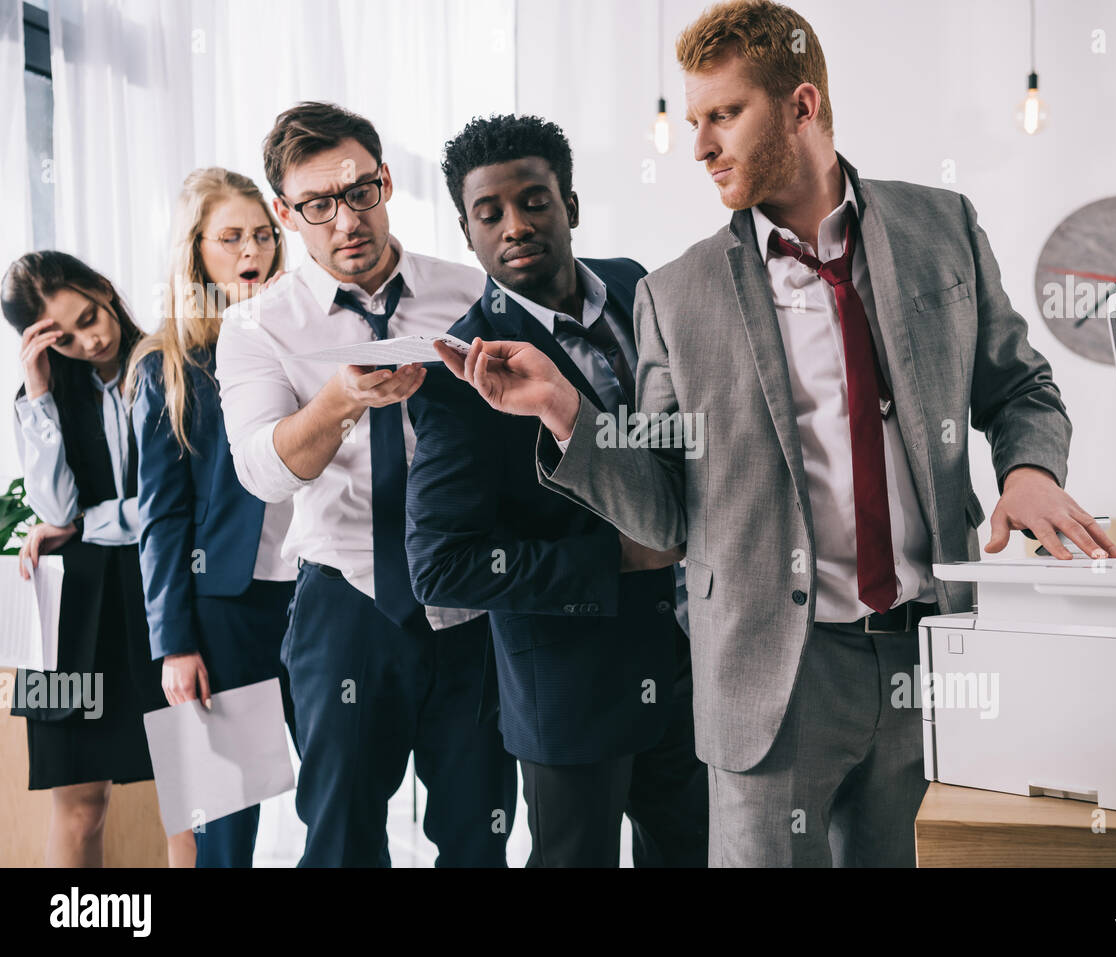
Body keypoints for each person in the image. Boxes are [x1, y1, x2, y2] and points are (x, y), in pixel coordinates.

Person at [434, 0, 1116, 867]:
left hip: (932, 656)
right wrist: (566, 411)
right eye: (694, 120)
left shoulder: (942, 226)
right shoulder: (673, 296)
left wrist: (1029, 471)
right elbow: (663, 515)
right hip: (773, 681)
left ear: (802, 105)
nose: (700, 146)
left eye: (724, 114)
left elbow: (1020, 385)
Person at [215, 101, 516, 867]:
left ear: (384, 182)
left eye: (359, 192)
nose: (347, 220)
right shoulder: (257, 327)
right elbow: (262, 473)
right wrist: (339, 400)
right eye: (318, 204)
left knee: (479, 836)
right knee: (341, 838)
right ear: (286, 213)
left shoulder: (473, 293)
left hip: (473, 600)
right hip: (345, 604)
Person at [406, 115, 707, 867]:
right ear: (468, 234)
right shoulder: (460, 378)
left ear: (569, 204)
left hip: (692, 660)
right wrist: (617, 558)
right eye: (489, 214)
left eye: (534, 201)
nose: (515, 225)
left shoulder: (638, 286)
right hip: (571, 690)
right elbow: (441, 567)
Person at [124, 167, 297, 867]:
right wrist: (173, 643)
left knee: (343, 799)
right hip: (224, 610)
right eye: (231, 237)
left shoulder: (308, 336)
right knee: (222, 827)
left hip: (324, 594)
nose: (252, 249)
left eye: (263, 233)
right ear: (196, 251)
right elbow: (161, 517)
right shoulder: (166, 364)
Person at [3, 251, 189, 867]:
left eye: (88, 317)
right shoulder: (41, 397)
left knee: (191, 802)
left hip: (165, 596)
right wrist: (37, 390)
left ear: (103, 289)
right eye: (66, 337)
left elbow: (177, 504)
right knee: (79, 808)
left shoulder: (174, 365)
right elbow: (54, 508)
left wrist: (89, 523)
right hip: (72, 615)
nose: (89, 341)